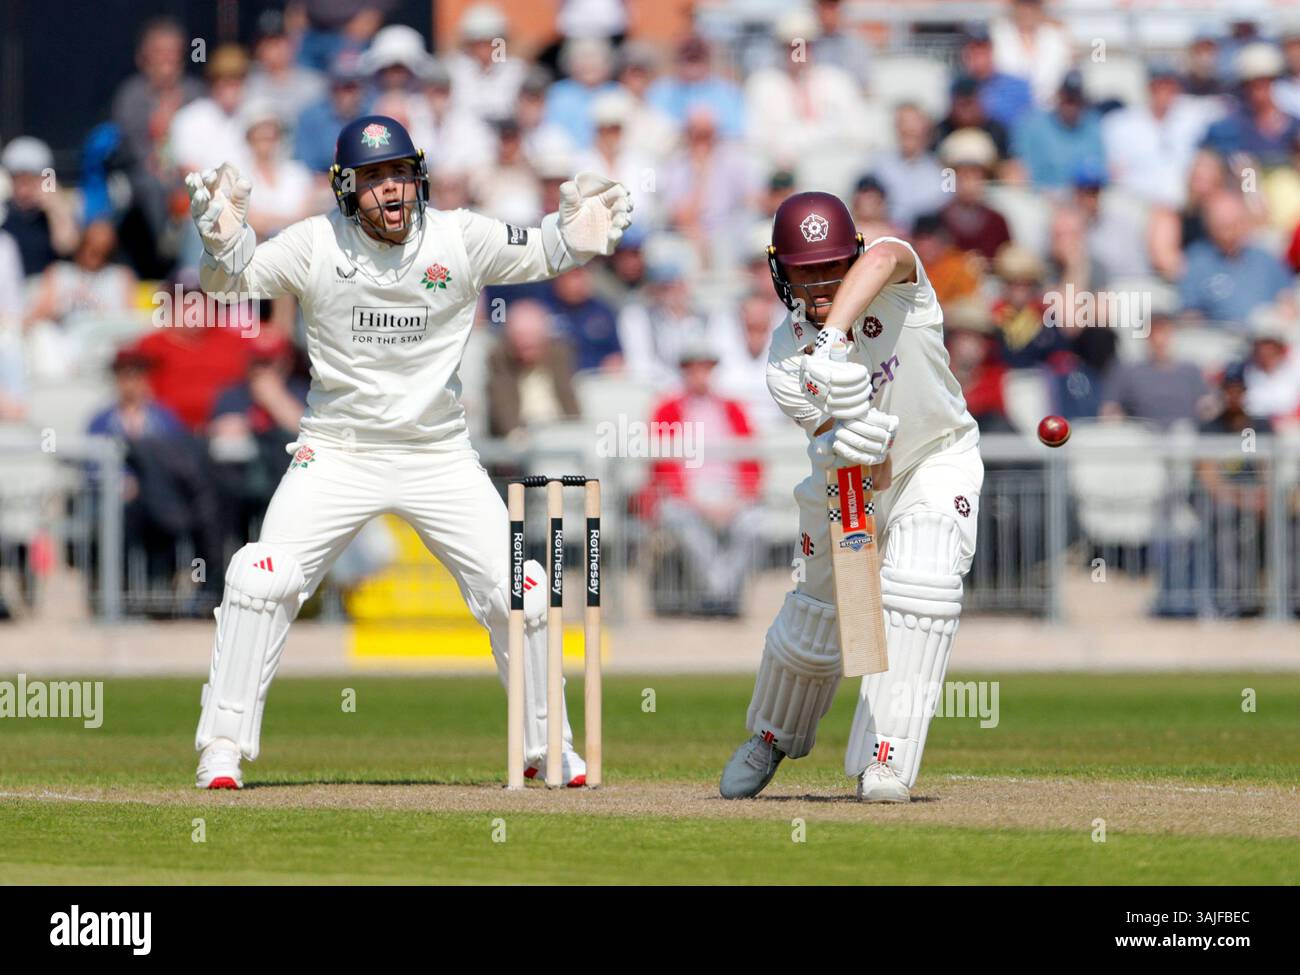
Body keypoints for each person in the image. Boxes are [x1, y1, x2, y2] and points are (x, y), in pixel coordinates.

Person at [183, 114, 631, 789]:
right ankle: (221, 747)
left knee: (526, 591)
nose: (389, 191)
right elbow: (231, 280)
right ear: (344, 189)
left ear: (417, 175)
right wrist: (221, 238)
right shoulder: (315, 244)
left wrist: (579, 230)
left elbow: (546, 250)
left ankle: (549, 748)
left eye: (397, 173)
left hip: (439, 453)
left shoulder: (460, 235)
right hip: (338, 450)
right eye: (371, 179)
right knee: (261, 577)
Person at [719, 191, 983, 803]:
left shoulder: (900, 287)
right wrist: (850, 431)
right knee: (818, 618)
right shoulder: (786, 359)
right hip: (848, 481)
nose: (817, 283)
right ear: (779, 270)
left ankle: (884, 757)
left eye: (830, 267)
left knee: (921, 585)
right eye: (803, 270)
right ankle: (772, 733)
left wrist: (834, 338)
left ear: (853, 257)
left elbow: (890, 253)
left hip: (936, 457)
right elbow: (853, 453)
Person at [643, 337, 763, 617]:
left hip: (729, 494)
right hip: (686, 496)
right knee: (682, 520)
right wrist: (697, 502)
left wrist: (738, 498)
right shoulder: (667, 409)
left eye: (705, 367)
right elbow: (662, 468)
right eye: (693, 368)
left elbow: (753, 460)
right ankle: (720, 594)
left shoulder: (733, 408)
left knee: (754, 522)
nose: (699, 374)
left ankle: (717, 595)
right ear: (683, 371)